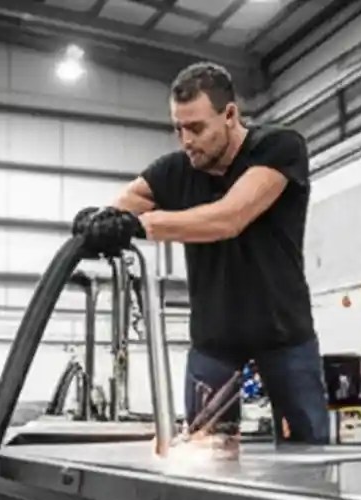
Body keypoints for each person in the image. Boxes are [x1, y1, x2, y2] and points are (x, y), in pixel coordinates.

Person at [75, 62, 329, 448]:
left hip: (285, 335)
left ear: (229, 115)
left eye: (196, 127)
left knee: (310, 456)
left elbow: (230, 217)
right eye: (178, 128)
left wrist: (142, 226)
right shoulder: (175, 171)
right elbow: (122, 207)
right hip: (215, 341)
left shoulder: (279, 148)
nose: (186, 140)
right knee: (205, 462)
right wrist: (94, 222)